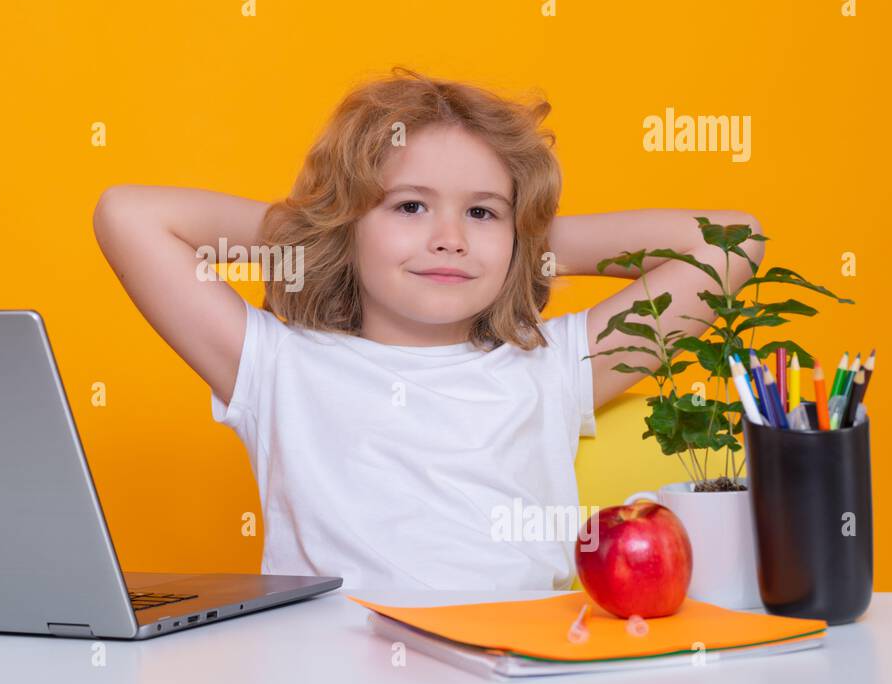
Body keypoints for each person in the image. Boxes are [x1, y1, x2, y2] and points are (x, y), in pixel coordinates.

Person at [92, 67, 763, 590]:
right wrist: (322, 230)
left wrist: (526, 236)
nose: (449, 239)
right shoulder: (276, 366)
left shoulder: (552, 367)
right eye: (410, 206)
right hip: (324, 670)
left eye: (480, 213)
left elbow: (732, 243)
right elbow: (129, 216)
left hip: (508, 668)